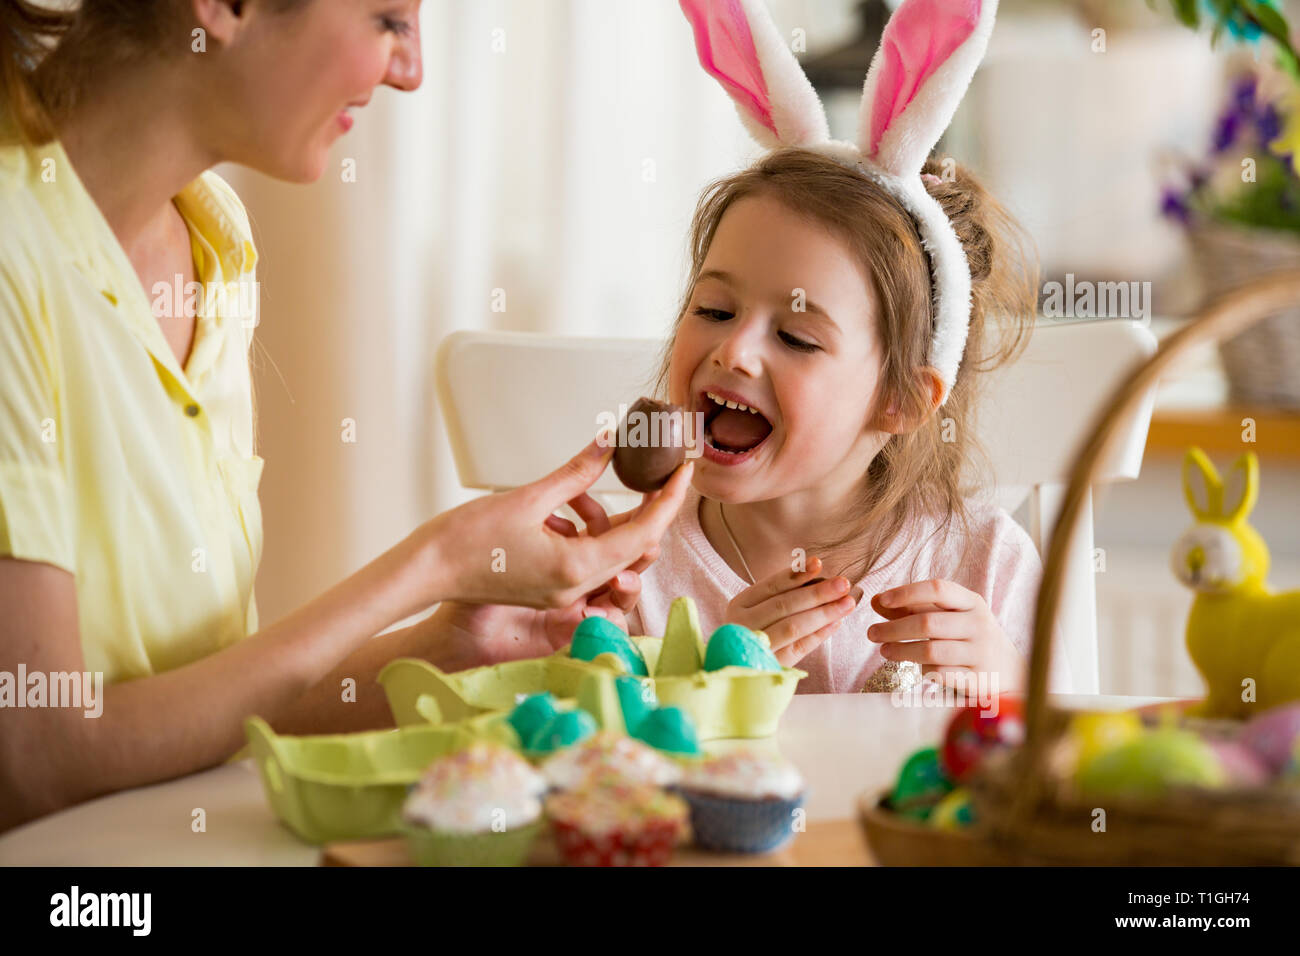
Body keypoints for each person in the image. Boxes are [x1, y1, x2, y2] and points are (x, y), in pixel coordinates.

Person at [0, 0, 690, 832]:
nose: (412, 70)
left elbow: (192, 715)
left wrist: (442, 646)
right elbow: (39, 764)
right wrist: (437, 560)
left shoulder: (214, 238)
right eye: (390, 19)